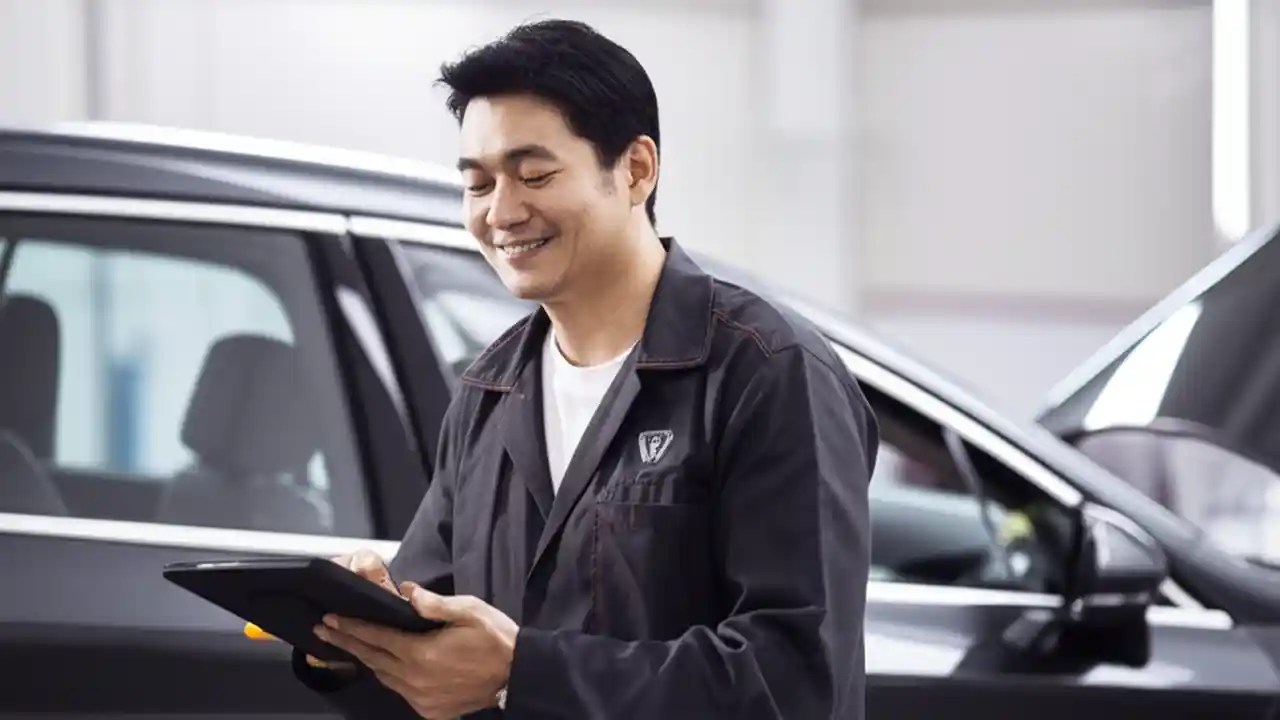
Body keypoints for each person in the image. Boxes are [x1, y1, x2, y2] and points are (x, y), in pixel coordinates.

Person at [290, 18, 879, 720]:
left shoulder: (766, 373)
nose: (501, 212)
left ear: (636, 170)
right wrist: (349, 632)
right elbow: (434, 651)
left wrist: (522, 672)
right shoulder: (490, 389)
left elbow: (794, 682)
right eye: (478, 185)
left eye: (534, 174)